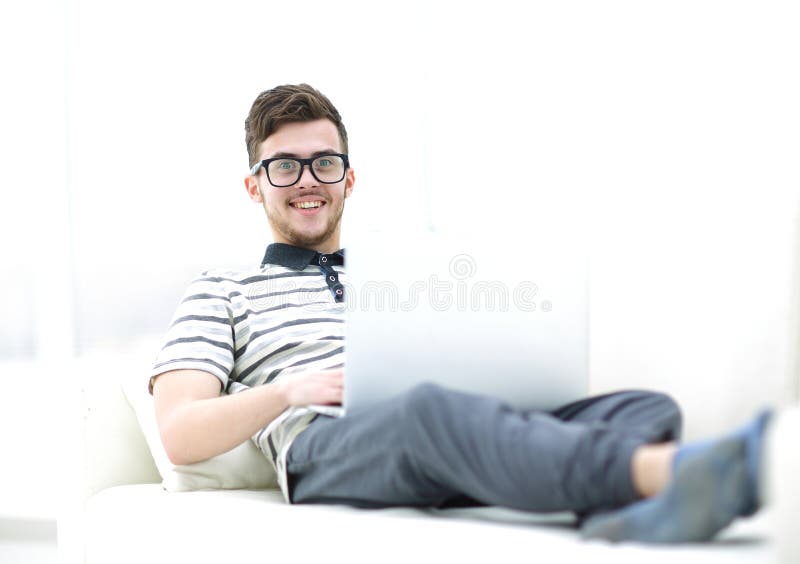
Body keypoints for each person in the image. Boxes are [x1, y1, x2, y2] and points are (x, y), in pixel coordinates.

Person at [150, 83, 772, 543]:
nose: (308, 179)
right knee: (428, 411)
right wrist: (287, 392)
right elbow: (180, 433)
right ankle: (680, 475)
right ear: (255, 185)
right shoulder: (220, 289)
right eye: (284, 166)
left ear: (349, 179)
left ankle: (613, 506)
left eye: (325, 163)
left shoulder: (400, 267)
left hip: (453, 416)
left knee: (645, 407)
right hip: (327, 444)